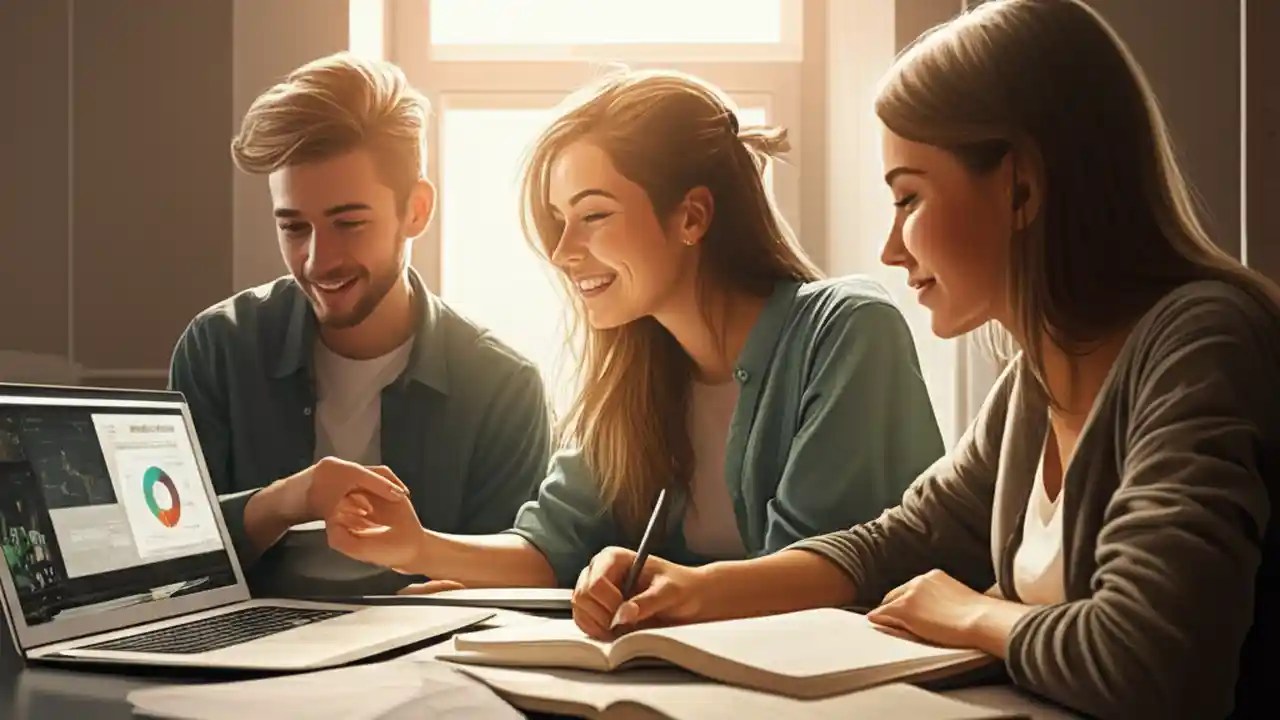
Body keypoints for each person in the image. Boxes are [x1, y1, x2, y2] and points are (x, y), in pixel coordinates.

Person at [568, 2, 1280, 718]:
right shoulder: (1031, 389)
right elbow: (896, 542)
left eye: (908, 197)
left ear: (1022, 188)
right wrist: (698, 589)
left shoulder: (1200, 342)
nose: (891, 248)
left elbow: (1153, 659)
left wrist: (972, 615)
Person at [323, 69, 945, 592]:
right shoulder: (635, 373)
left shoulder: (846, 331)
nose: (565, 251)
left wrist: (653, 592)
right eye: (559, 221)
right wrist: (415, 547)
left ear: (692, 216)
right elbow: (550, 548)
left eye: (593, 214)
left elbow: (816, 577)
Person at [168, 53, 553, 597]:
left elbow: (510, 578)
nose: (318, 260)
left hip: (429, 664)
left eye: (349, 224)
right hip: (239, 665)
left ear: (416, 209)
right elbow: (169, 563)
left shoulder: (503, 386)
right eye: (294, 227)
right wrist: (289, 500)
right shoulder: (217, 348)